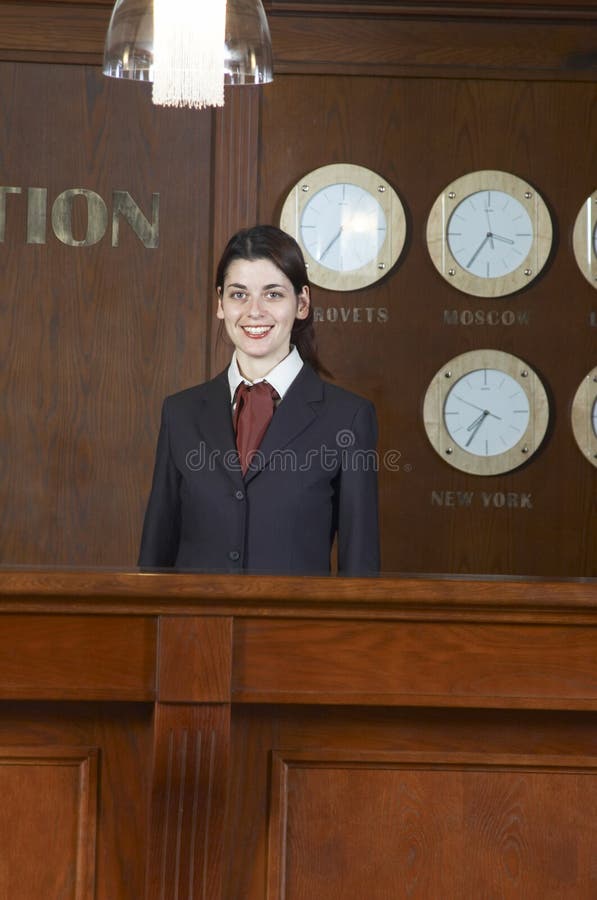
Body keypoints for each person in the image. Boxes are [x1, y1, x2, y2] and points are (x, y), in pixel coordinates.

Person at [138, 224, 380, 575]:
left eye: (273, 294)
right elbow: (154, 558)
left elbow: (360, 570)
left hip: (294, 629)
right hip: (194, 629)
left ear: (302, 303)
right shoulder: (181, 413)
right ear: (220, 303)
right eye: (239, 294)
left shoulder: (348, 417)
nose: (254, 311)